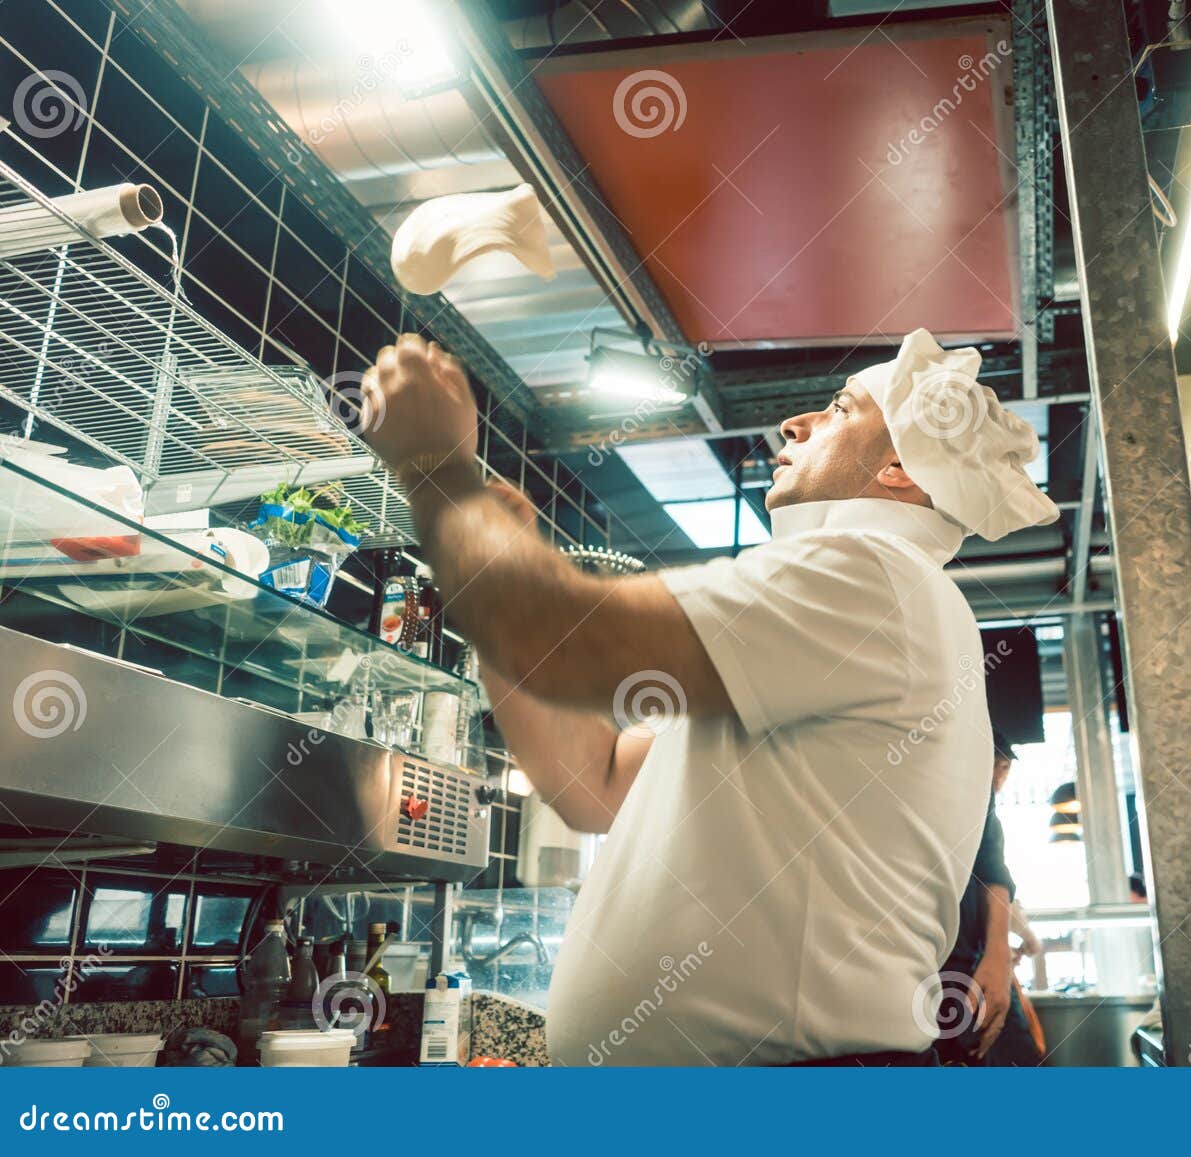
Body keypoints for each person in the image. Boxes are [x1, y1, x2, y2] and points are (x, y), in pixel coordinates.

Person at [360, 329, 1057, 1065]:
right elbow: (589, 780)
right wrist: (487, 576)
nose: (795, 424)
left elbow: (548, 636)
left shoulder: (875, 576)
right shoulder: (849, 620)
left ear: (897, 469)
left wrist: (439, 473)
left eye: (840, 408)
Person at [935, 731, 1044, 1066]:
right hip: (941, 962)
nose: (1001, 776)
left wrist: (997, 950)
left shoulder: (972, 784)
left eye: (1005, 768)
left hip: (970, 961)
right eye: (1002, 767)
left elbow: (992, 865)